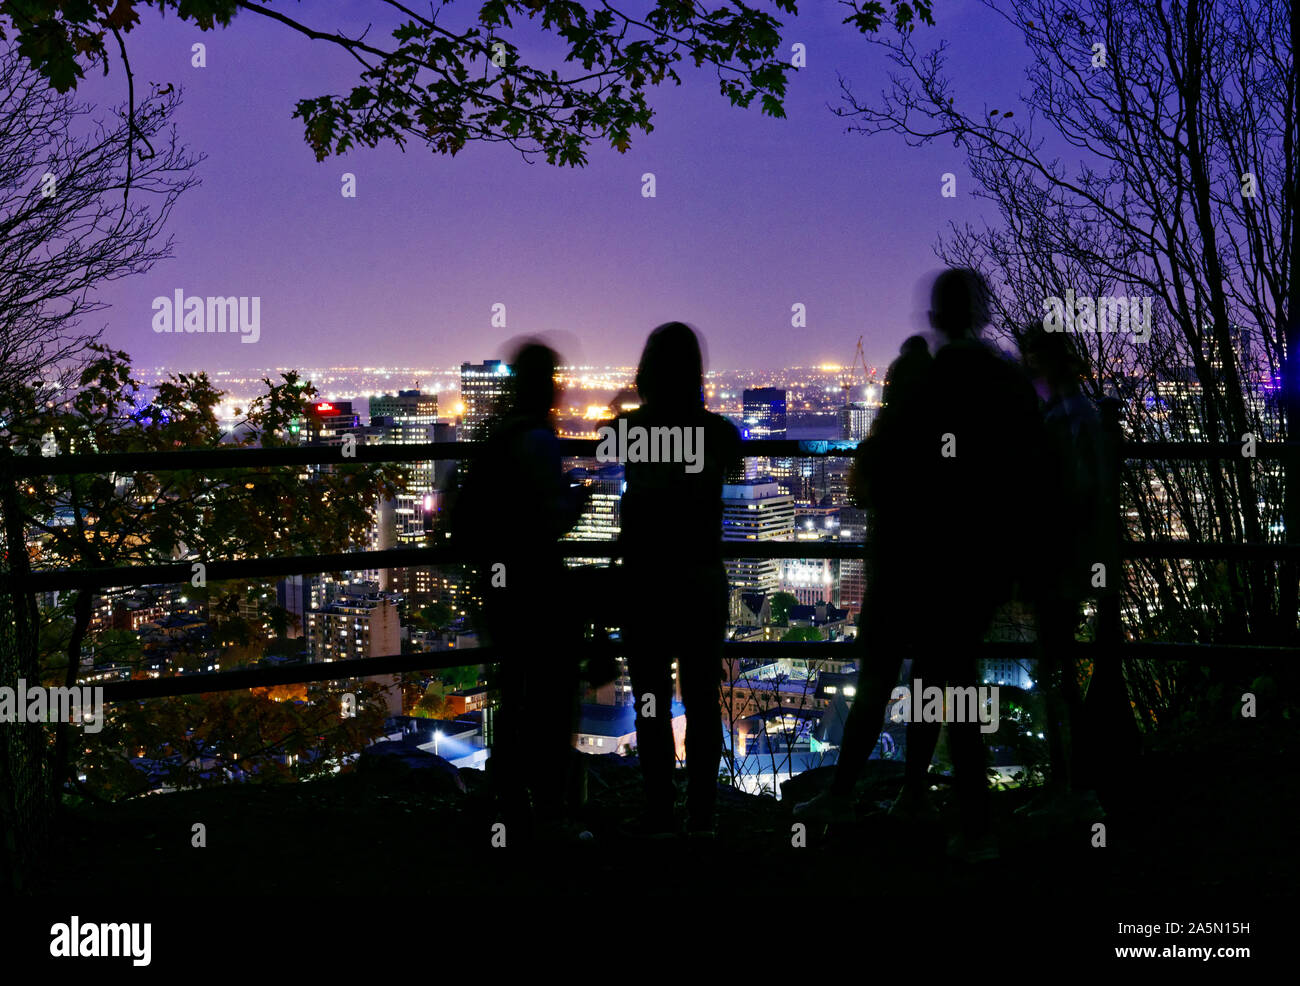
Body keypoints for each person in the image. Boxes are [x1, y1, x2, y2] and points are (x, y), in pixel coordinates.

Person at [794, 333, 936, 824]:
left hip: (891, 576)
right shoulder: (945, 437)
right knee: (930, 687)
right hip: (937, 578)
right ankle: (915, 792)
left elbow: (858, 492)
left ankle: (840, 795)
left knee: (873, 687)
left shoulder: (888, 436)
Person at [455, 341, 590, 841]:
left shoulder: (501, 431)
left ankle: (507, 802)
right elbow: (543, 521)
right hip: (534, 583)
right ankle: (549, 814)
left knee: (515, 692)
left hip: (500, 584)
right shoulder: (537, 437)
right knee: (551, 693)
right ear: (548, 385)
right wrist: (578, 503)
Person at [617, 322, 741, 838]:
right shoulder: (717, 433)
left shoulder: (630, 432)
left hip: (647, 582)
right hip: (700, 579)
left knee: (650, 698)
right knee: (702, 701)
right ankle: (703, 814)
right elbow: (731, 460)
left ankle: (660, 811)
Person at [1018, 324, 1109, 820]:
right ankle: (1070, 785)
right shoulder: (1078, 413)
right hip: (1069, 559)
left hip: (1058, 560)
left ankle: (1069, 787)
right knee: (1060, 670)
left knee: (1057, 672)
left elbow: (1069, 490)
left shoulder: (1065, 417)